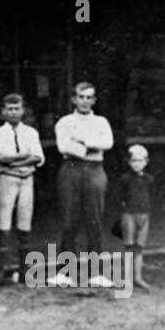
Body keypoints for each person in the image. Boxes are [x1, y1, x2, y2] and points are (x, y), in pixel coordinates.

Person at [53, 81, 114, 287]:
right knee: (69, 219)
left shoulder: (101, 122)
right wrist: (90, 146)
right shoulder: (65, 122)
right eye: (81, 97)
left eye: (89, 97)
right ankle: (65, 273)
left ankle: (95, 273)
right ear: (74, 99)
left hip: (95, 170)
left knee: (94, 219)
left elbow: (108, 143)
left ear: (94, 100)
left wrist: (82, 142)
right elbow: (63, 146)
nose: (85, 101)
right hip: (71, 170)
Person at [0, 92, 45, 285]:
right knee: (3, 222)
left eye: (17, 108)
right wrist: (22, 157)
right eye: (9, 109)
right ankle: (0, 271)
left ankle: (24, 271)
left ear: (23, 110)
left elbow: (37, 157)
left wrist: (12, 160)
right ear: (3, 112)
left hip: (27, 179)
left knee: (24, 222)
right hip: (8, 179)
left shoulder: (31, 132)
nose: (13, 112)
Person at [111, 143, 155, 291]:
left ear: (146, 162)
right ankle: (127, 278)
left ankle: (138, 277)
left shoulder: (149, 179)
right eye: (134, 161)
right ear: (129, 162)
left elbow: (151, 196)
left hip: (144, 215)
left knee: (140, 248)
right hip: (129, 215)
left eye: (140, 160)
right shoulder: (125, 179)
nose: (137, 164)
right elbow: (119, 198)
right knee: (129, 247)